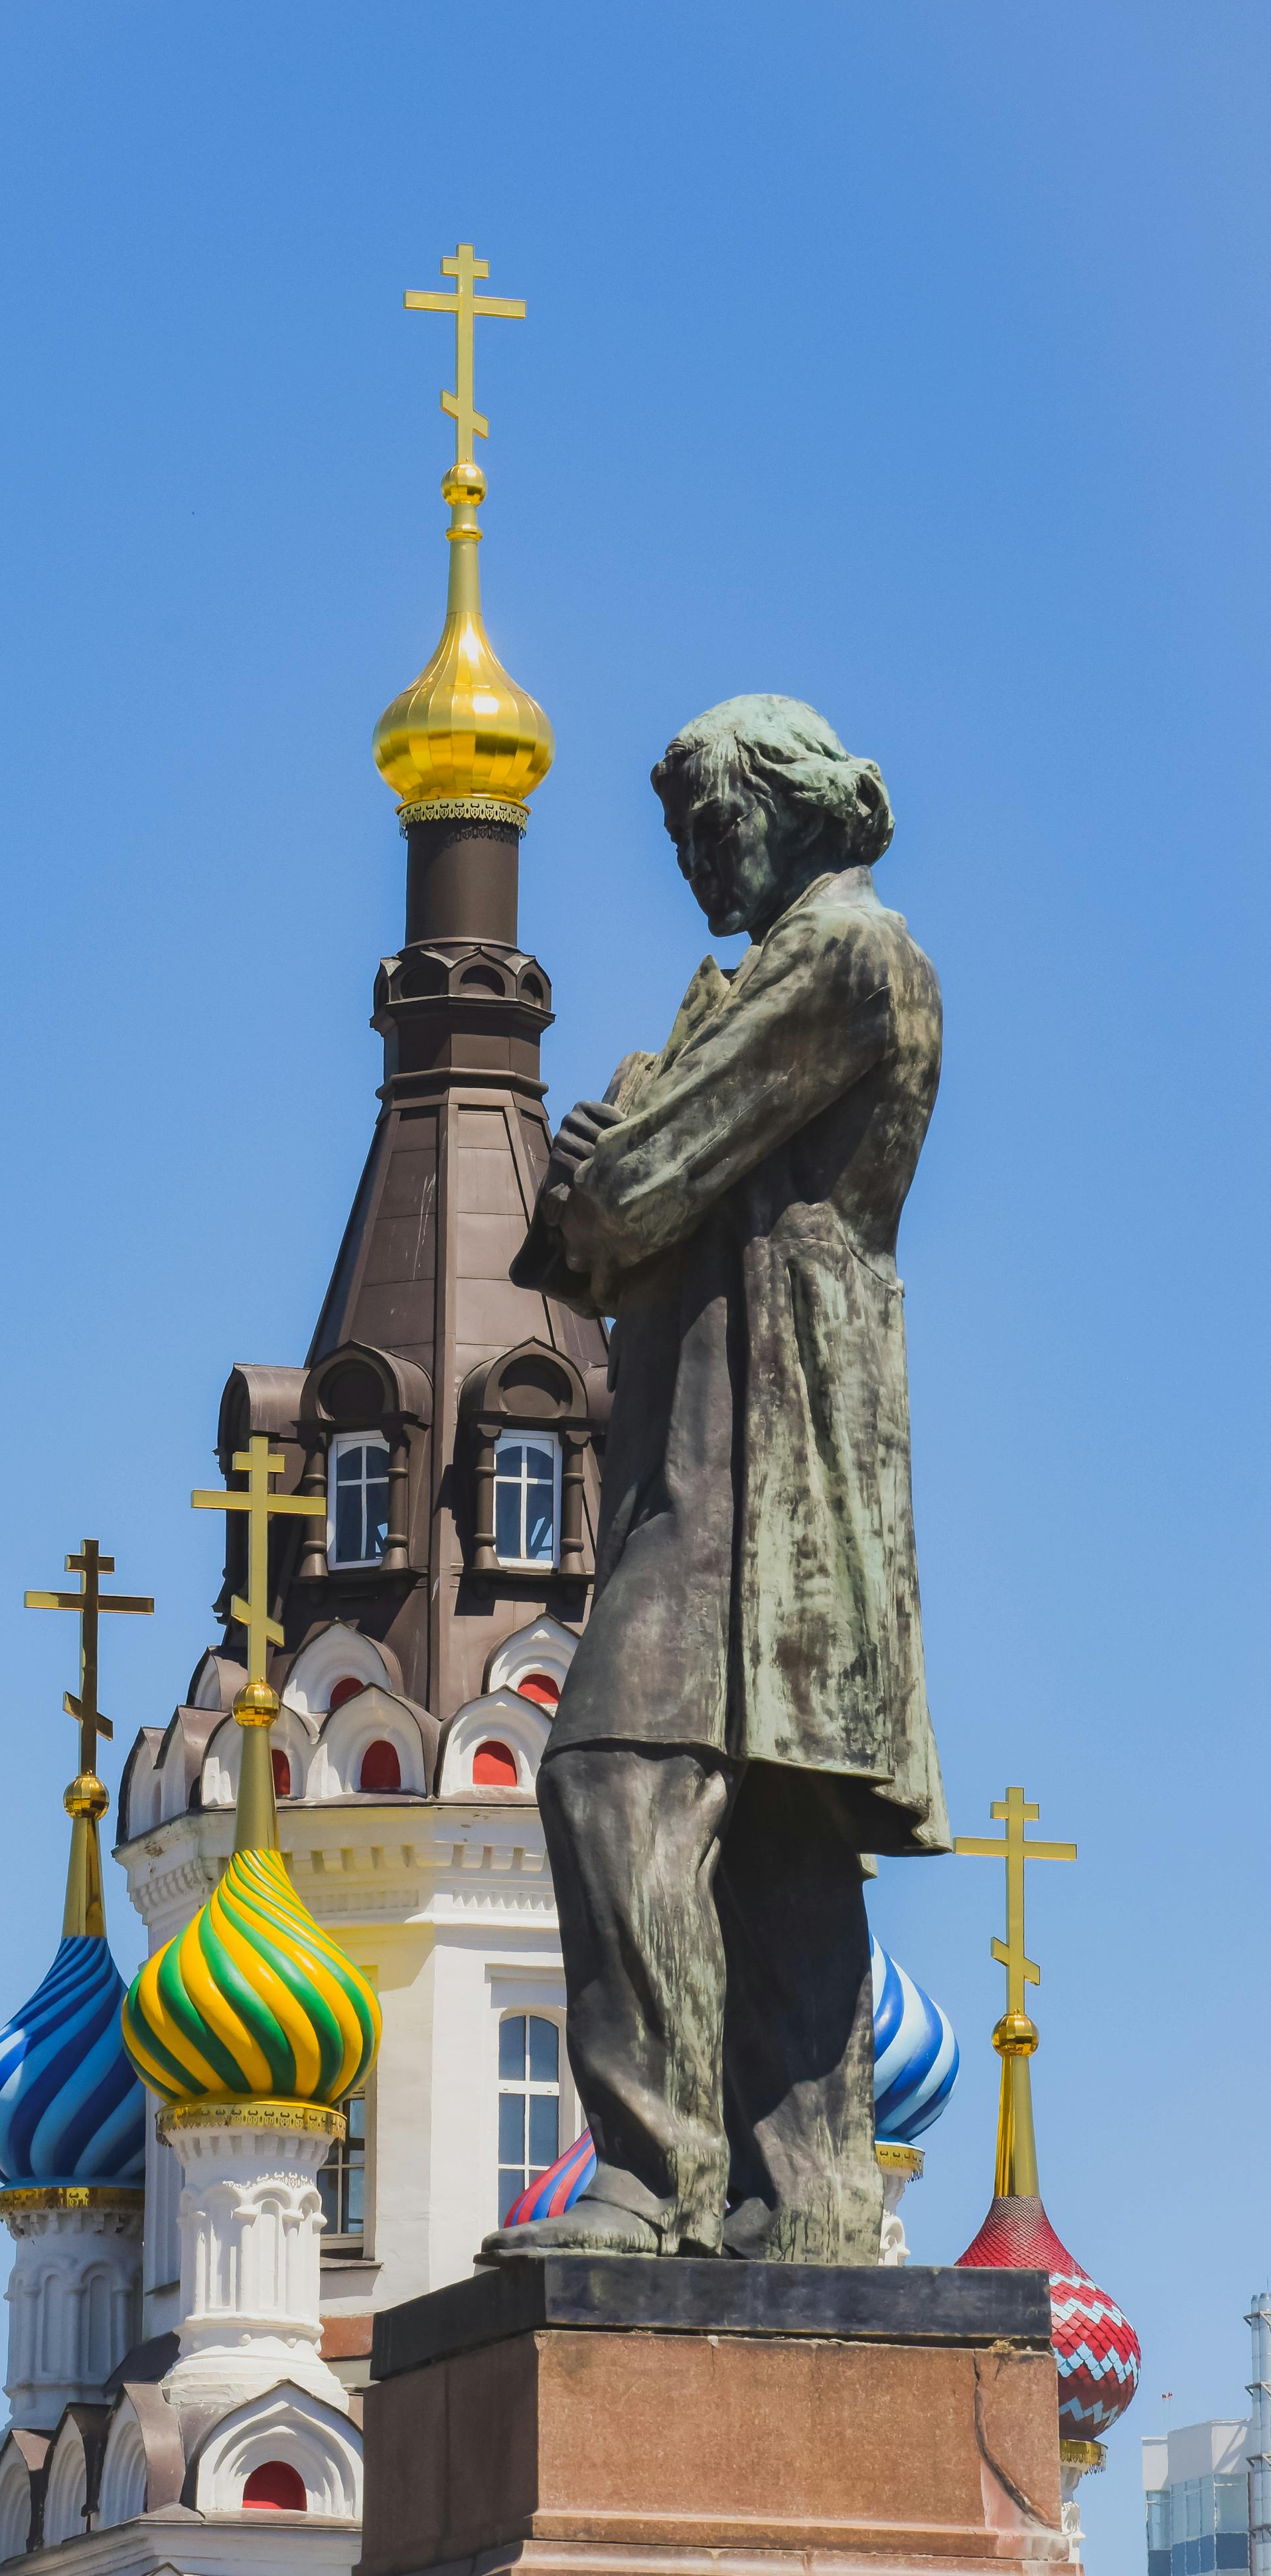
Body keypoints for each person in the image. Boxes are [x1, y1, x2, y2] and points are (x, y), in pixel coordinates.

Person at [493, 694, 950, 2265]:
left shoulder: (842, 956)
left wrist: (608, 1155)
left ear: (789, 802)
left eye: (707, 823)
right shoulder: (773, 973)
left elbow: (631, 1182)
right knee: (769, 1830)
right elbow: (618, 1200)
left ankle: (656, 2170)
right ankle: (811, 2202)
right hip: (746, 1412)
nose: (692, 860)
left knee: (613, 1771)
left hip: (762, 1437)